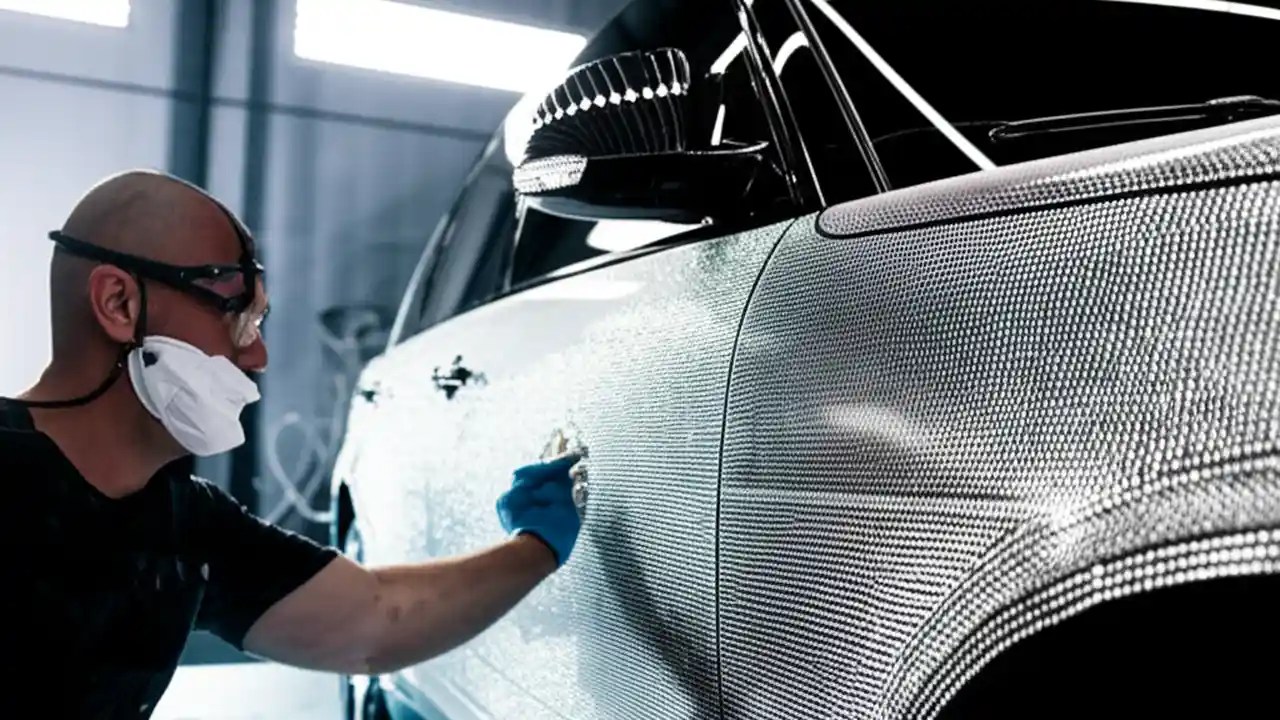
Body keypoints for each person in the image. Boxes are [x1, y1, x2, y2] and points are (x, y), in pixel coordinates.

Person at [2, 169, 583, 718]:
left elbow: (373, 623)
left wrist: (534, 547)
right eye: (239, 318)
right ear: (120, 305)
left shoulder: (182, 521)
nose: (257, 356)